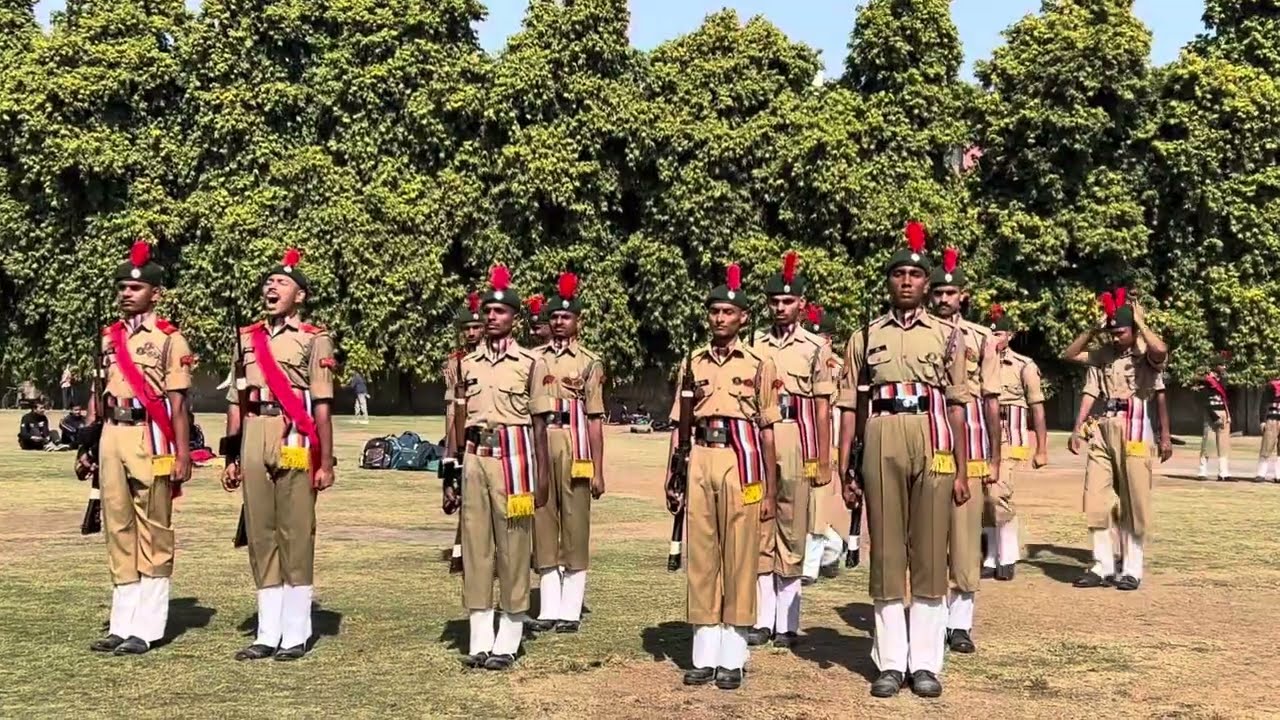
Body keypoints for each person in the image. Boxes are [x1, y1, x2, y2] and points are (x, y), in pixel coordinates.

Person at [837, 221, 970, 699]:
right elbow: (850, 402)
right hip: (881, 433)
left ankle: (927, 663)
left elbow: (957, 403)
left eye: (914, 276)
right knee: (888, 551)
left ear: (927, 286)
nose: (906, 282)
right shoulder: (864, 335)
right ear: (889, 282)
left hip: (933, 436)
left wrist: (961, 464)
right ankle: (891, 662)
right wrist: (843, 461)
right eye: (898, 275)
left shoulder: (949, 337)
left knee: (931, 552)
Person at [665, 262, 779, 691]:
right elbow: (680, 423)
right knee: (702, 556)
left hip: (743, 460)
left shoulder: (758, 363)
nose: (719, 318)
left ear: (743, 318)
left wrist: (769, 486)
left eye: (728, 313)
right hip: (701, 458)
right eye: (714, 311)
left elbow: (767, 429)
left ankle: (733, 655)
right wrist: (673, 473)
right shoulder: (692, 362)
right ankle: (703, 654)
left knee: (741, 556)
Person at [220, 248, 337, 662]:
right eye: (268, 282)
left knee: (295, 530)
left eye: (282, 282)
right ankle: (267, 632)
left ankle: (296, 632)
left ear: (300, 296)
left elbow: (321, 402)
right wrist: (230, 454)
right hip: (255, 430)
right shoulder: (246, 337)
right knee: (261, 532)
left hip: (295, 435)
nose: (271, 287)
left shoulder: (314, 338)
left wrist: (326, 460)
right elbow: (236, 399)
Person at [90, 239, 193, 656]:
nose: (125, 294)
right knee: (116, 527)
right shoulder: (109, 337)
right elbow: (99, 392)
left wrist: (183, 453)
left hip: (151, 435)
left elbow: (179, 403)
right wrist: (87, 443)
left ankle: (148, 627)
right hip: (111, 434)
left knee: (154, 527)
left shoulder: (171, 340)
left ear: (155, 293)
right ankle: (121, 623)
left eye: (134, 288)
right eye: (121, 288)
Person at [447, 265, 551, 671]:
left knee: (514, 546)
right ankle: (479, 636)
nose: (491, 317)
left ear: (515, 319)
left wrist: (542, 477)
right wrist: (452, 472)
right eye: (487, 311)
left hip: (516, 458)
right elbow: (457, 422)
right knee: (476, 546)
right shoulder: (465, 364)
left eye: (499, 312)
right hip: (475, 457)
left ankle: (509, 635)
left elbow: (540, 423)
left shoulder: (530, 363)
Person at [747, 252, 834, 649]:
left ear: (801, 304)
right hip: (759, 440)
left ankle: (789, 621)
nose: (780, 308)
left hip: (797, 439)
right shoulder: (754, 344)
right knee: (759, 527)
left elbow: (821, 405)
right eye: (774, 302)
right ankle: (763, 619)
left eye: (787, 302)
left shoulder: (815, 348)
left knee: (792, 528)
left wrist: (823, 457)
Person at [1063, 288, 1171, 592]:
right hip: (1103, 426)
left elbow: (1161, 351)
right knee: (1095, 499)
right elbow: (1071, 357)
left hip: (1134, 427)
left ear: (1133, 329)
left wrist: (1141, 323)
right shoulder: (1103, 354)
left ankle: (1132, 568)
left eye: (1120, 331)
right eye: (1111, 332)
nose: (1114, 337)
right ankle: (1102, 564)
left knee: (1134, 501)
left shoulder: (1145, 355)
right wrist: (1076, 427)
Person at [928, 250, 1001, 656]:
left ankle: (960, 623)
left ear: (963, 296)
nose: (943, 298)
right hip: (930, 437)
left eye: (950, 292)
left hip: (970, 441)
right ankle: (932, 616)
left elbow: (991, 399)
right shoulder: (919, 334)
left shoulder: (981, 338)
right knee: (929, 534)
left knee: (965, 535)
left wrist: (994, 458)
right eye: (937, 291)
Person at [529, 272, 606, 634]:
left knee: (575, 524)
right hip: (542, 442)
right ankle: (549, 606)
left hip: (575, 446)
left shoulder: (590, 362)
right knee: (543, 520)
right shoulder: (533, 359)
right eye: (554, 317)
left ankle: (571, 608)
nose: (559, 322)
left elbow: (594, 418)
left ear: (578, 321)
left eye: (565, 317)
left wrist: (599, 470)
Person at [981, 305, 1047, 581]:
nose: (995, 338)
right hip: (983, 435)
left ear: (1010, 335)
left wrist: (1042, 447)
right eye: (991, 333)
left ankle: (1007, 555)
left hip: (1011, 436)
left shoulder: (1023, 366)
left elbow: (1037, 406)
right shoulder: (977, 362)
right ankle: (988, 556)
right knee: (983, 496)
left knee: (998, 494)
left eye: (999, 333)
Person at [801, 305, 850, 583]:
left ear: (828, 340)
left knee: (818, 507)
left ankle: (810, 566)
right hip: (801, 440)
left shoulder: (841, 369)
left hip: (828, 442)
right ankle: (832, 549)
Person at [442, 293, 486, 574]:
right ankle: (467, 556)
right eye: (466, 329)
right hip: (461, 430)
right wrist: (450, 452)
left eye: (476, 327)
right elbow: (451, 409)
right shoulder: (453, 362)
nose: (471, 333)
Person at [1196, 353, 1231, 482]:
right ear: (1215, 366)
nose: (1224, 367)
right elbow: (1205, 401)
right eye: (1221, 365)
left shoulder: (1222, 380)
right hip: (1211, 414)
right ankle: (1202, 471)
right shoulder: (1206, 381)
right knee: (1208, 443)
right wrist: (1214, 416)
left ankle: (1223, 472)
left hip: (1223, 412)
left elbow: (1224, 398)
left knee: (1223, 444)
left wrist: (1227, 415)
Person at [1257, 376, 1280, 483]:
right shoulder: (1271, 385)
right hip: (1272, 419)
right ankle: (1261, 474)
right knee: (1267, 446)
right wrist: (1262, 420)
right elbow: (1264, 404)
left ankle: (1278, 475)